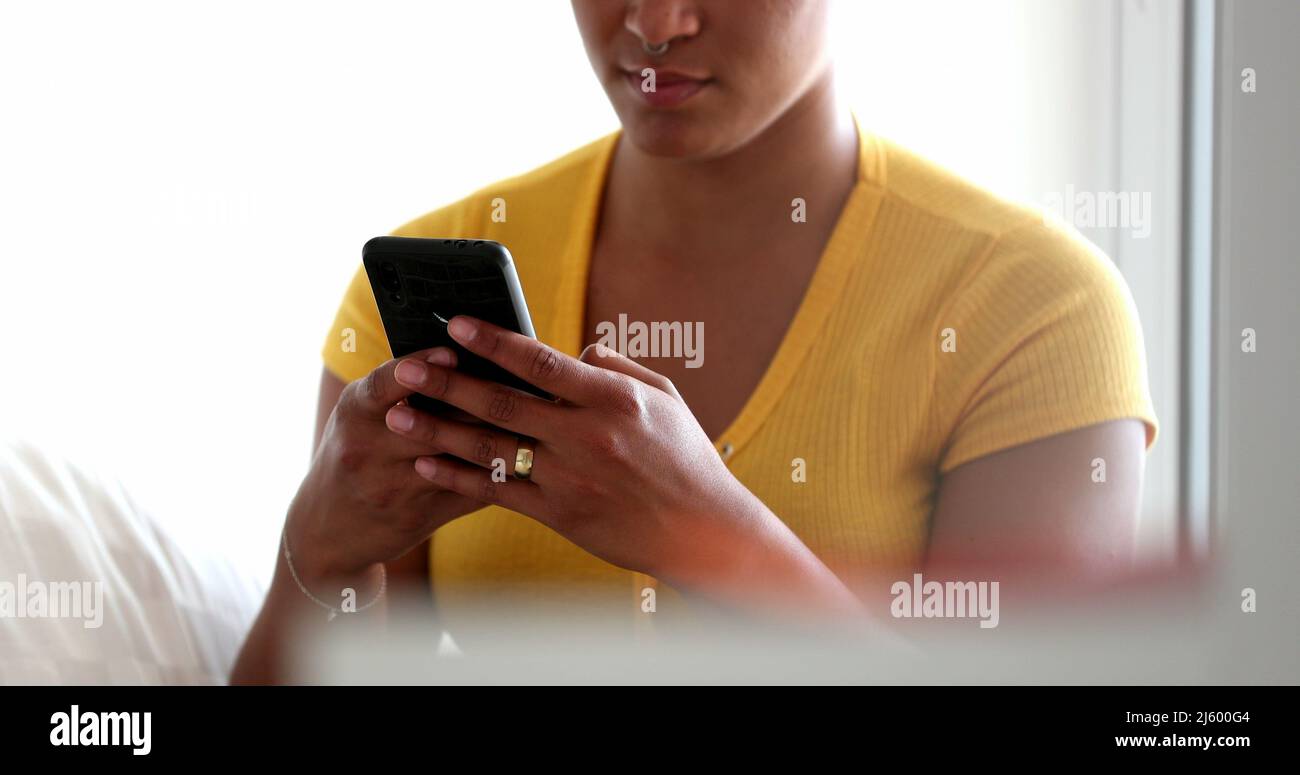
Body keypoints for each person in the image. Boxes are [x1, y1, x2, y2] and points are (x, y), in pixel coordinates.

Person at [232, 0, 1156, 682]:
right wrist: (319, 554)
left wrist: (709, 538)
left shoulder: (1038, 311)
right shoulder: (420, 279)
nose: (655, 24)